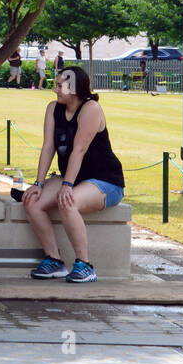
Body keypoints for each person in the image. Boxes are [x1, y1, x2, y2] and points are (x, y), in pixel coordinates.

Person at [24, 66, 126, 283]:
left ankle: (85, 265)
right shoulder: (53, 108)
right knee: (32, 201)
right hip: (74, 178)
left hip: (105, 180)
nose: (56, 90)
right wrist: (38, 184)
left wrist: (67, 185)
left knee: (67, 202)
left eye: (60, 86)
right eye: (56, 85)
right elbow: (48, 147)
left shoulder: (91, 108)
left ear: (75, 88)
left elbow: (79, 148)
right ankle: (54, 260)